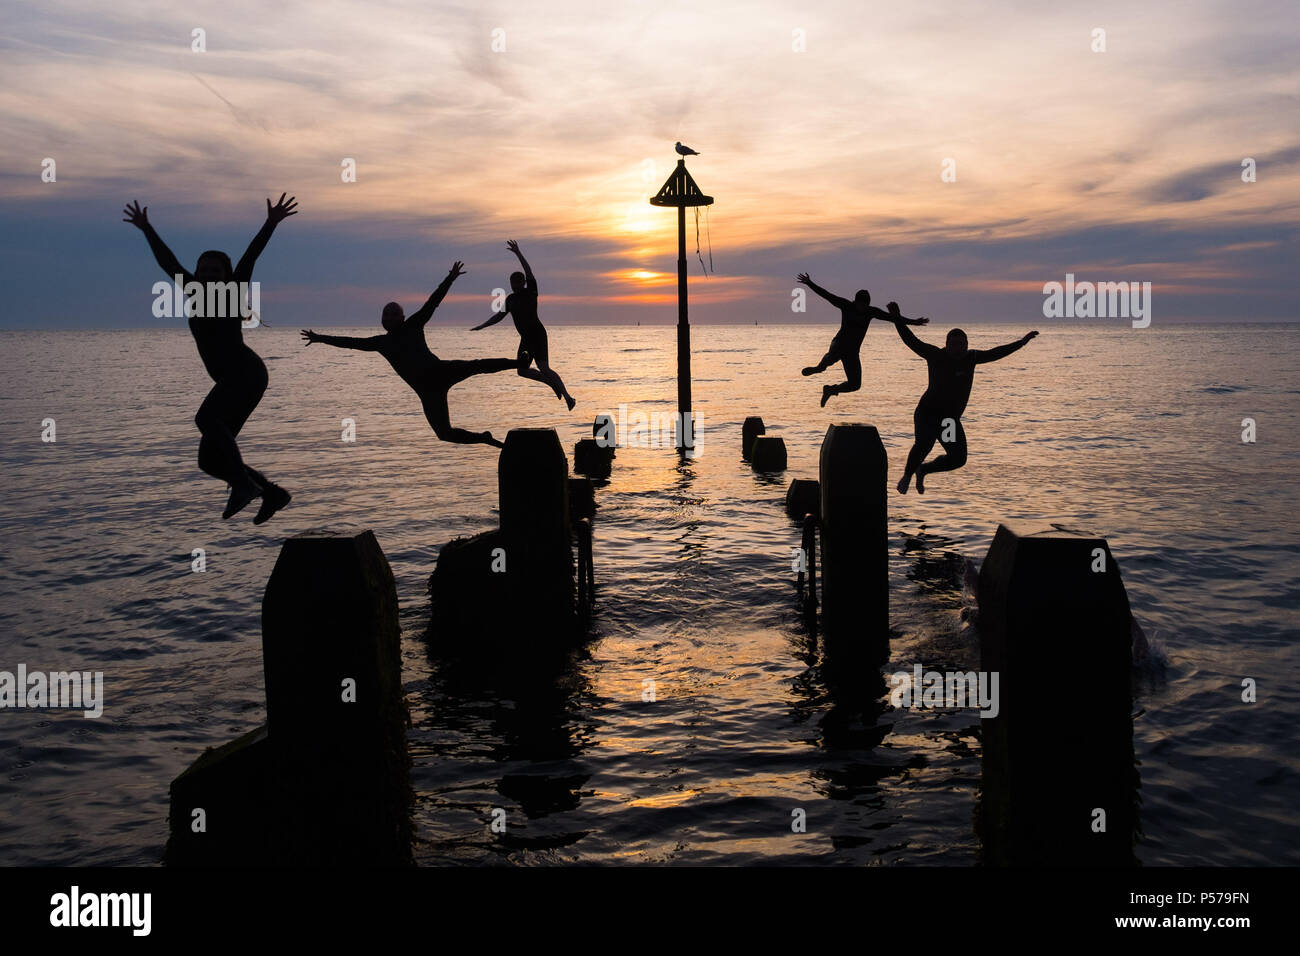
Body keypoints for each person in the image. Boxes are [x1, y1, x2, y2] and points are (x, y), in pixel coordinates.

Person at [123, 194, 297, 523]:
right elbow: (168, 262)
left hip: (245, 373)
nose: (206, 273)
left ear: (226, 273)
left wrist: (270, 223)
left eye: (214, 269)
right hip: (239, 379)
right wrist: (147, 229)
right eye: (202, 269)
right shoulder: (192, 289)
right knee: (210, 459)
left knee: (206, 421)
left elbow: (251, 255)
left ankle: (245, 486)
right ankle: (273, 493)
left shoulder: (232, 289)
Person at [300, 262, 518, 448]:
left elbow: (433, 302)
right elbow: (350, 343)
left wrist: (449, 279)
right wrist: (320, 338)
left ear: (402, 318)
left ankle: (518, 362)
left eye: (394, 314)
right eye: (386, 314)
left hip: (441, 372)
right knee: (444, 434)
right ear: (382, 320)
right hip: (427, 392)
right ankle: (484, 439)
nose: (390, 317)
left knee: (476, 366)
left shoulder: (414, 324)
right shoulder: (381, 343)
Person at [894, 314, 1039, 494]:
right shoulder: (936, 355)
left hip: (948, 420)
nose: (958, 349)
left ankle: (923, 470)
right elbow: (911, 341)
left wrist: (1021, 342)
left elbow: (996, 353)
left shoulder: (971, 358)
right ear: (946, 345)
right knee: (925, 444)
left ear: (967, 345)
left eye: (962, 345)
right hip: (927, 414)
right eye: (954, 345)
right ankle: (907, 475)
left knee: (958, 458)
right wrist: (896, 317)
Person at [471, 240, 575, 410]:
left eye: (518, 282)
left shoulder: (531, 292)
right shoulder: (510, 299)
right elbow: (499, 316)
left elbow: (529, 271)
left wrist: (518, 253)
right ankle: (554, 386)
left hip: (537, 335)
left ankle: (568, 397)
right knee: (523, 370)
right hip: (527, 338)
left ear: (523, 283)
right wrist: (483, 326)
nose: (514, 285)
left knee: (543, 368)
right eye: (512, 282)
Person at [797, 273, 928, 407]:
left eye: (866, 305)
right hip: (839, 345)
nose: (863, 308)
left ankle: (831, 390)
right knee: (831, 359)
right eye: (861, 305)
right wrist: (809, 283)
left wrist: (914, 322)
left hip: (852, 352)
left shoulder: (871, 311)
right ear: (856, 302)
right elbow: (827, 295)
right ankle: (818, 368)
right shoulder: (846, 305)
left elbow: (892, 318)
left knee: (855, 385)